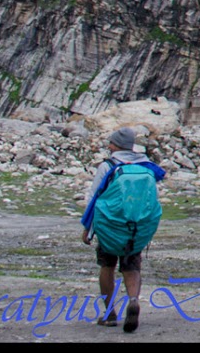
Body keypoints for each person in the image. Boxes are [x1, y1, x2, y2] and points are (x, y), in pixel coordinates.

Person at [81, 127, 165, 332]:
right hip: (135, 227)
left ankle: (109, 314)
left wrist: (87, 228)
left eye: (110, 143)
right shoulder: (146, 167)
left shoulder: (108, 165)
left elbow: (94, 197)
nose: (108, 146)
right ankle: (134, 299)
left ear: (114, 145)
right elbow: (152, 200)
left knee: (107, 266)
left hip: (110, 226)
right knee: (132, 266)